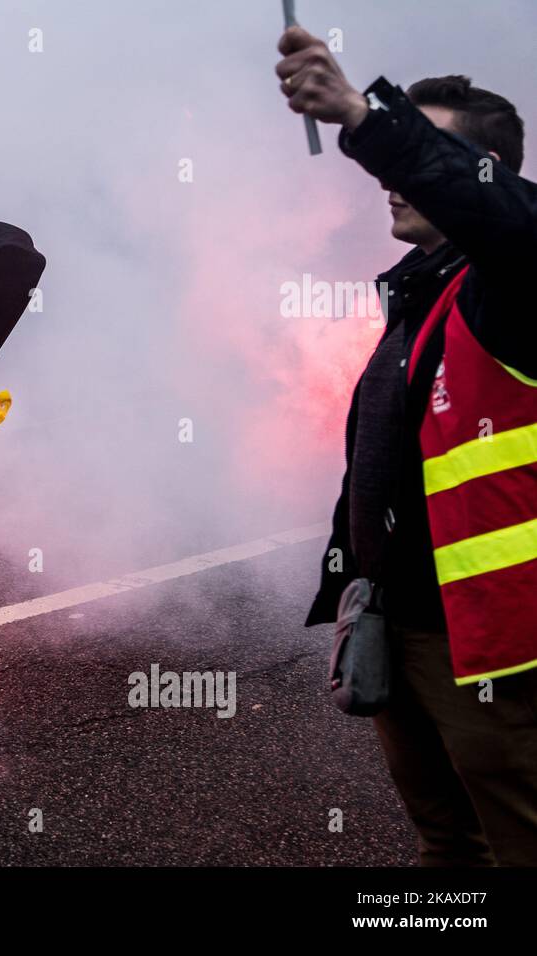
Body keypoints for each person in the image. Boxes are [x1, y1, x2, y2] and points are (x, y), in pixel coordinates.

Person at [278, 26, 537, 865]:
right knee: (444, 843)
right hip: (406, 622)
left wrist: (363, 116)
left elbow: (510, 218)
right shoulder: (419, 292)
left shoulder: (514, 282)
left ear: (481, 174)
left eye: (418, 158)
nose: (388, 184)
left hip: (495, 634)